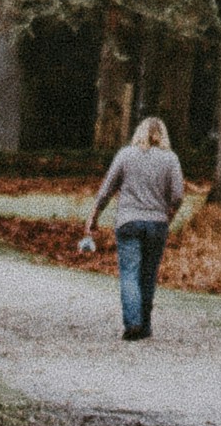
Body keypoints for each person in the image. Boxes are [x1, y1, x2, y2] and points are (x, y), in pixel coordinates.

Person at [80, 115, 187, 339]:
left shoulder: (125, 155)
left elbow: (107, 189)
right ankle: (145, 325)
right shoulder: (171, 159)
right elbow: (178, 195)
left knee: (129, 273)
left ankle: (133, 323)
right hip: (157, 224)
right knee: (148, 275)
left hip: (128, 222)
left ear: (138, 132)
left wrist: (93, 217)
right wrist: (169, 215)